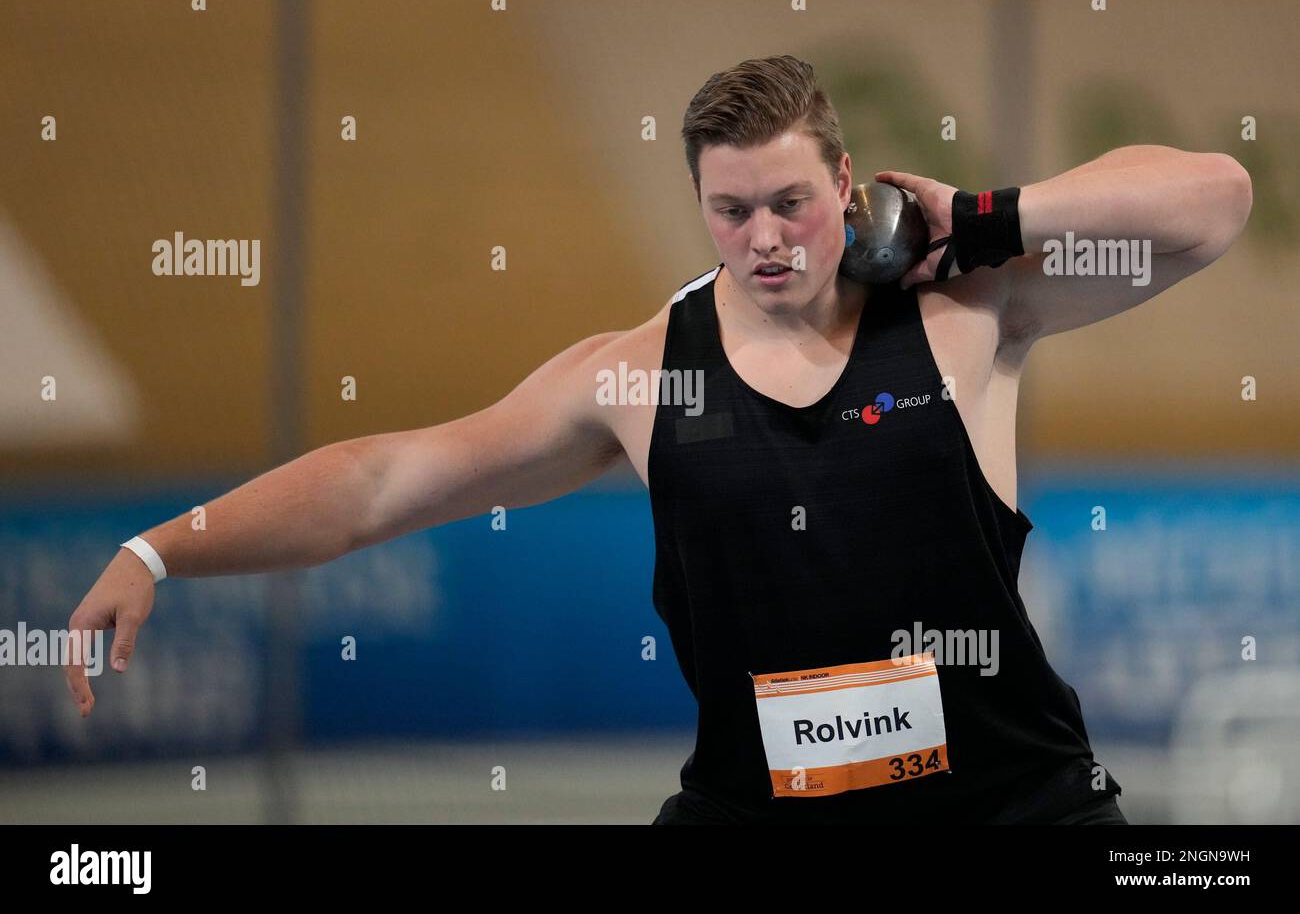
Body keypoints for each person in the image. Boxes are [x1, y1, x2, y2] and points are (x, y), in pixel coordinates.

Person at [64, 55, 1252, 824]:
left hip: (1013, 808)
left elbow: (1213, 201)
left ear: (851, 184)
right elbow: (383, 479)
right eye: (731, 210)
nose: (767, 237)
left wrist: (989, 215)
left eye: (793, 201)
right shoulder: (633, 374)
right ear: (701, 209)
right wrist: (161, 548)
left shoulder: (964, 310)